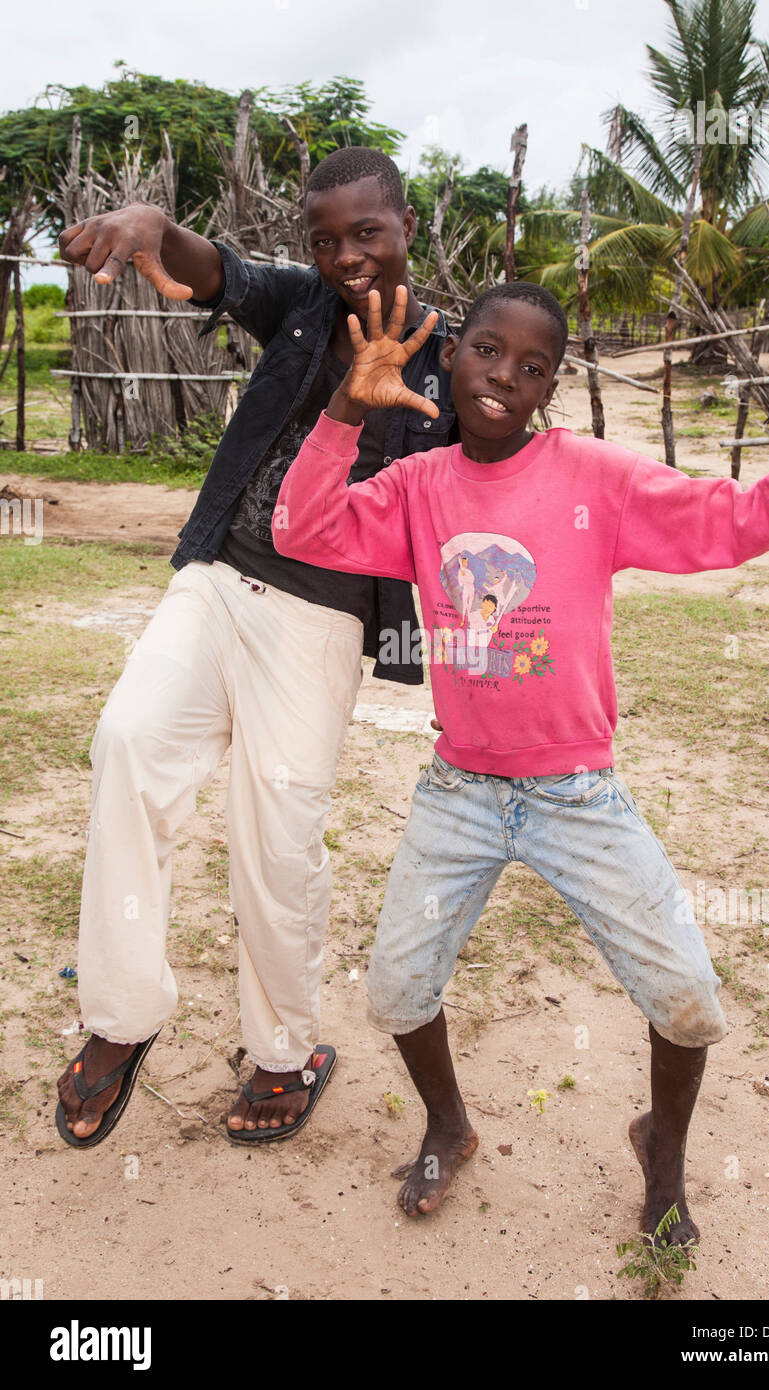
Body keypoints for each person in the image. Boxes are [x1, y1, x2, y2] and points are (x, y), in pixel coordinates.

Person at [272, 279, 769, 1236]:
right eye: (488, 352)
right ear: (452, 356)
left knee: (688, 1003)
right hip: (460, 788)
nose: (504, 376)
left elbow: (727, 519)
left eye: (533, 367)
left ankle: (660, 1152)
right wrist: (342, 408)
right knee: (394, 991)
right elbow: (305, 527)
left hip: (576, 793)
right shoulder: (419, 489)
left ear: (550, 388)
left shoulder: (594, 478)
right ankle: (449, 1125)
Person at [55, 148, 457, 1148]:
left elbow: (500, 453)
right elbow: (211, 268)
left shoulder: (448, 357)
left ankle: (285, 1050)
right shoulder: (302, 306)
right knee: (128, 747)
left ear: (405, 227)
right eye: (324, 239)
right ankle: (121, 1016)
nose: (345, 255)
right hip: (215, 577)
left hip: (320, 619)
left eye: (366, 232)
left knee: (277, 835)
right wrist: (150, 222)